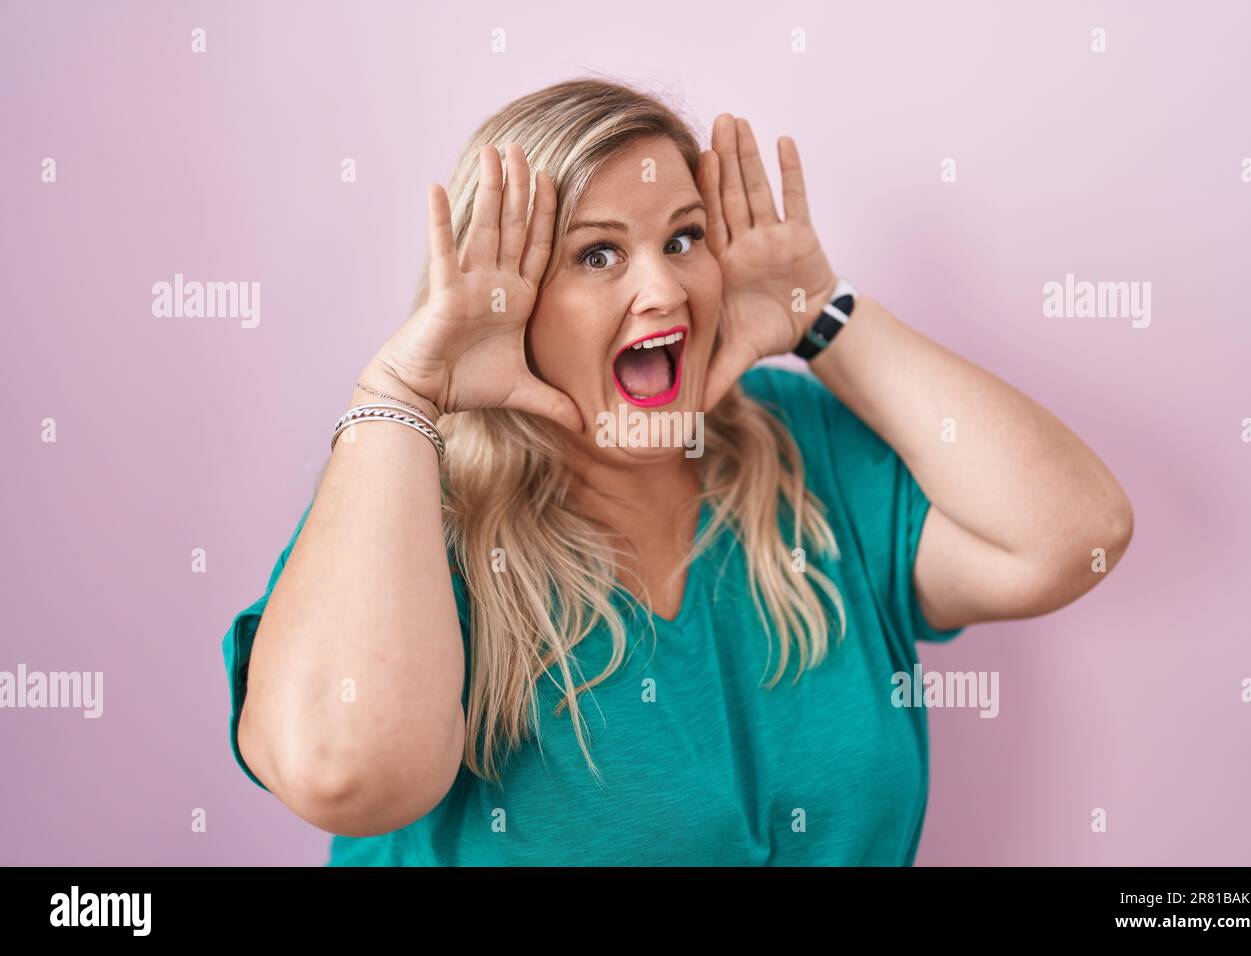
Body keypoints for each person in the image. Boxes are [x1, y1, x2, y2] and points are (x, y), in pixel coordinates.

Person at [221, 77, 1134, 866]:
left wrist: (820, 312)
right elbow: (346, 774)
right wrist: (402, 392)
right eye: (599, 254)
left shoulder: (804, 447)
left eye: (685, 239)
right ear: (504, 300)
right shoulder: (417, 514)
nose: (663, 290)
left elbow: (1072, 539)